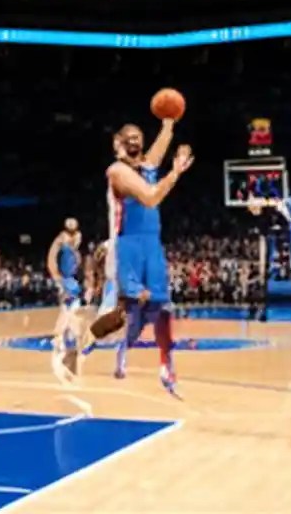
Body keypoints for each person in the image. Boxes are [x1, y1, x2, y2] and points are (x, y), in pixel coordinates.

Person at [84, 119, 194, 395]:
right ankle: (87, 341)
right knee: (128, 311)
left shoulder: (145, 165)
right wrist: (176, 172)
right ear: (117, 143)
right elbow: (151, 197)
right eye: (129, 137)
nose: (135, 140)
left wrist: (169, 122)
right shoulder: (117, 172)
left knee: (161, 308)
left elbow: (158, 148)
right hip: (127, 245)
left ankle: (166, 365)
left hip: (151, 243)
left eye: (139, 136)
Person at [47, 217, 84, 382]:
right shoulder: (60, 239)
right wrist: (56, 277)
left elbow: (76, 257)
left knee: (71, 307)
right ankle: (59, 337)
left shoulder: (77, 238)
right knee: (67, 307)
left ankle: (63, 335)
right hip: (63, 278)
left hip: (72, 278)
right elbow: (51, 259)